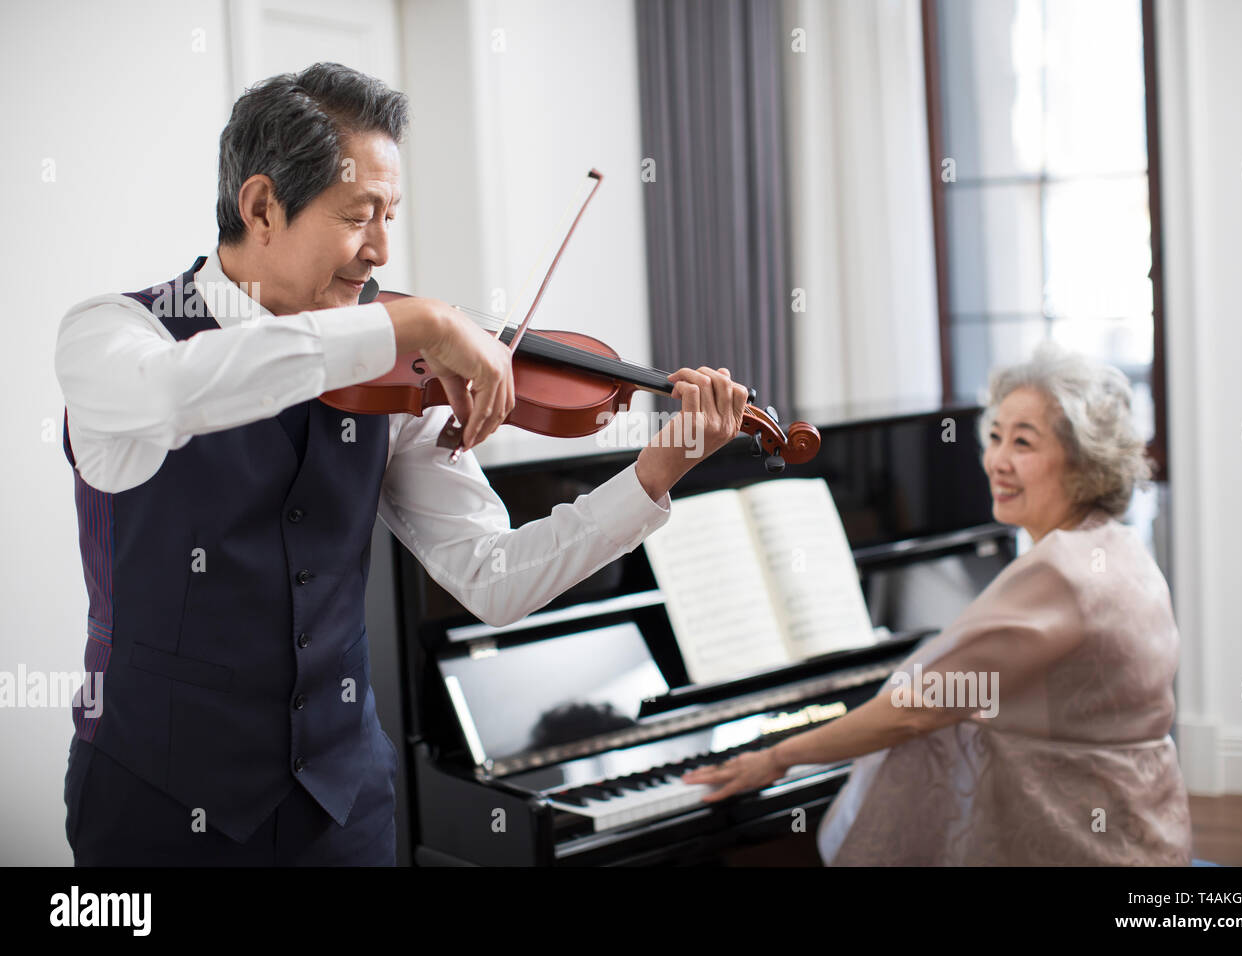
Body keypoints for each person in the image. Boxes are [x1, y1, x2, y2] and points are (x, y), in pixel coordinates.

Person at [55, 62, 749, 866]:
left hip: (342, 813)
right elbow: (179, 391)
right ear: (261, 207)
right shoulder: (115, 335)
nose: (381, 250)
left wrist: (650, 479)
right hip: (154, 812)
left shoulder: (393, 374)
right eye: (359, 216)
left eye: (392, 216)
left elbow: (493, 578)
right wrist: (418, 324)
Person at [685, 342, 1194, 865]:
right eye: (995, 437)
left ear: (1083, 458)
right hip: (1149, 829)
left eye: (1024, 442)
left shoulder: (1062, 569)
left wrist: (775, 757)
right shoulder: (1113, 544)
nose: (998, 460)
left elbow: (913, 712)